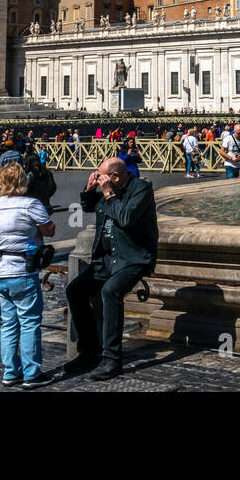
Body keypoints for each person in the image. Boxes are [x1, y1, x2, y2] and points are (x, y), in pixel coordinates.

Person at [64, 158, 158, 380]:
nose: (101, 180)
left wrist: (108, 194)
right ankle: (89, 352)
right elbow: (89, 206)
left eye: (103, 176)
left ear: (115, 177)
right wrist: (89, 189)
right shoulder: (109, 189)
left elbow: (126, 218)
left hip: (133, 257)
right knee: (75, 291)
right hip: (106, 258)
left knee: (110, 291)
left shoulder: (141, 189)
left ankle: (112, 359)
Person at [0, 162, 55, 389]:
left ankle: (10, 371)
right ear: (24, 181)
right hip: (22, 269)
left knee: (8, 323)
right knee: (29, 322)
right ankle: (32, 373)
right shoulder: (30, 204)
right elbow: (49, 230)